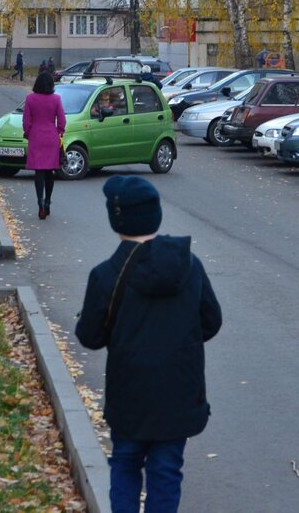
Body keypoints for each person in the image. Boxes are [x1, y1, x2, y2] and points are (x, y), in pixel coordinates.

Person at [75, 176, 222, 513]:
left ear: (117, 220)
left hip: (129, 392)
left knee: (125, 463)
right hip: (179, 390)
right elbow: (211, 321)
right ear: (156, 215)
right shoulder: (190, 265)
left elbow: (90, 337)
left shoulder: (106, 274)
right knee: (167, 470)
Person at [22, 71, 65, 219]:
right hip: (51, 137)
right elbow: (62, 120)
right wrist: (59, 132)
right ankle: (48, 201)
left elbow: (26, 121)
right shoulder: (56, 99)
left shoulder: (30, 99)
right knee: (49, 172)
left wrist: (28, 134)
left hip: (36, 137)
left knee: (39, 172)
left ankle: (39, 202)